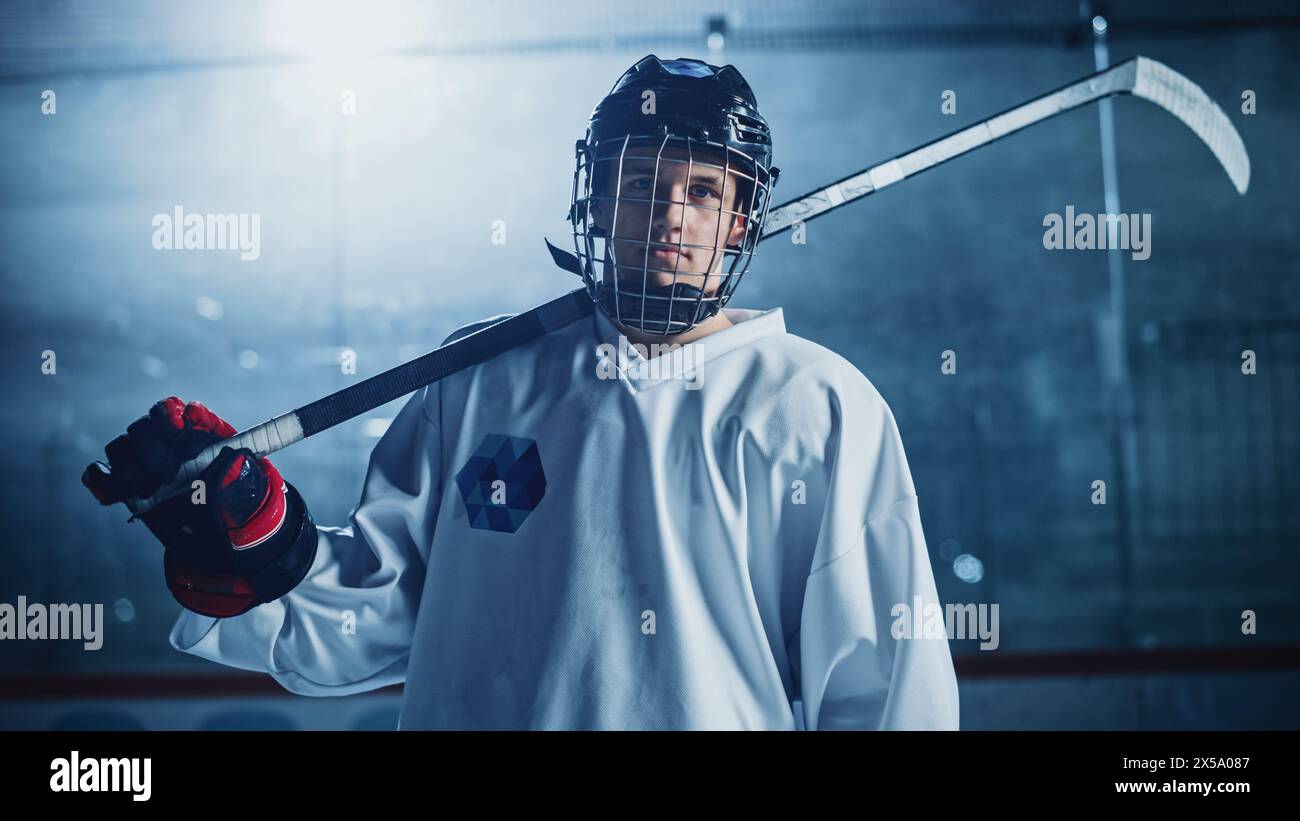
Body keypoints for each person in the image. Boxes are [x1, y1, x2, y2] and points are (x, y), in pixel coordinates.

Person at [83, 55, 959, 730]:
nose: (670, 216)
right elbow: (376, 616)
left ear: (739, 220)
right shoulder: (475, 377)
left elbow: (886, 686)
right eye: (643, 186)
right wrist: (265, 544)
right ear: (600, 200)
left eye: (701, 192)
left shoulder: (820, 405)